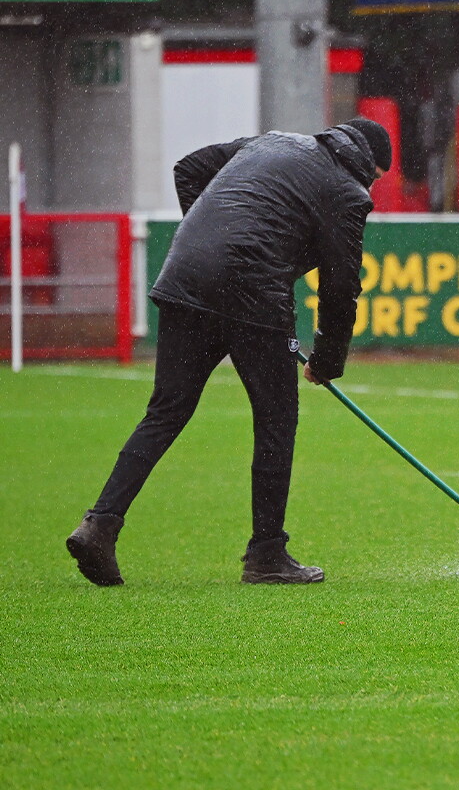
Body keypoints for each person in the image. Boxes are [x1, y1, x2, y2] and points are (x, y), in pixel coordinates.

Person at [65, 118, 391, 587]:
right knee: (277, 419)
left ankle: (100, 525)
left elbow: (189, 169)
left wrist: (210, 240)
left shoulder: (271, 142)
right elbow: (341, 286)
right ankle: (267, 554)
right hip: (252, 292)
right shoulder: (348, 192)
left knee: (167, 409)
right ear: (368, 165)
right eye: (376, 178)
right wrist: (327, 361)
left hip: (186, 278)